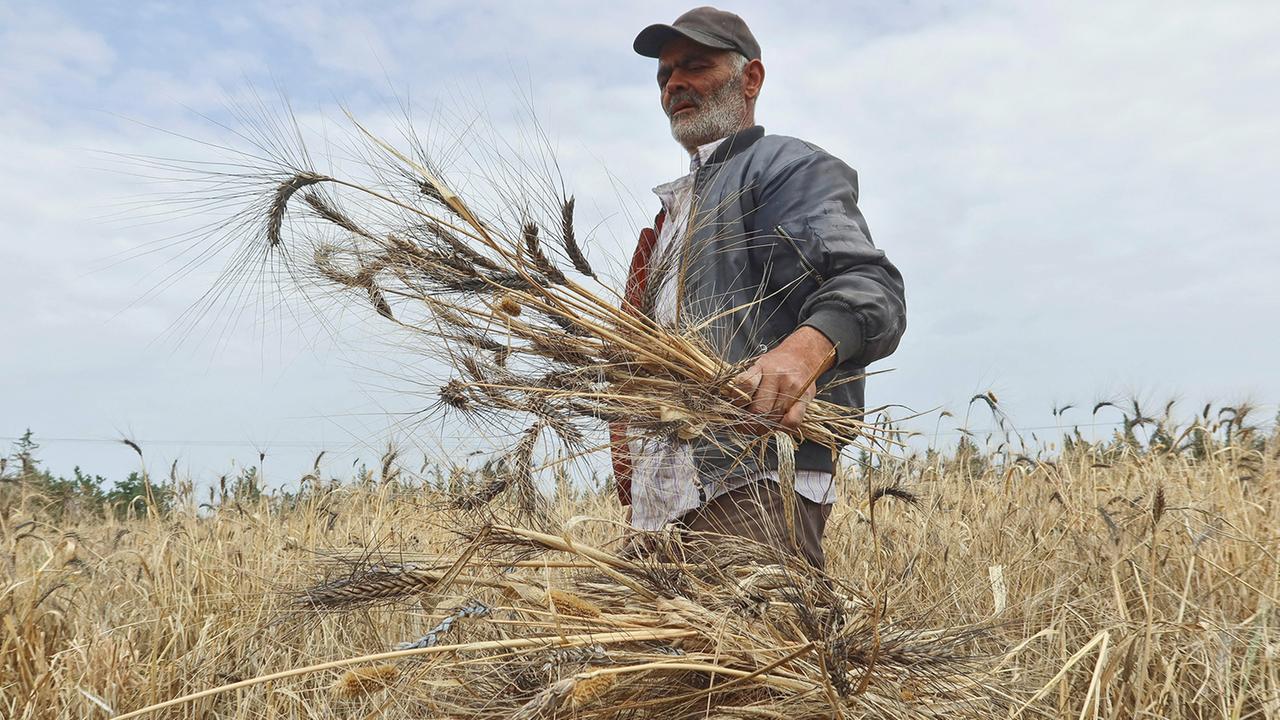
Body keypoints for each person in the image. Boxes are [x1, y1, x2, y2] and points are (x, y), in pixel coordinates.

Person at [612, 7, 907, 569]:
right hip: (658, 502)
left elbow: (869, 285)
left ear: (750, 79)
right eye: (664, 75)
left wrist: (801, 355)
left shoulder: (786, 169)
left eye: (695, 66)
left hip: (752, 481)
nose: (674, 84)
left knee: (747, 628)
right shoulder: (671, 218)